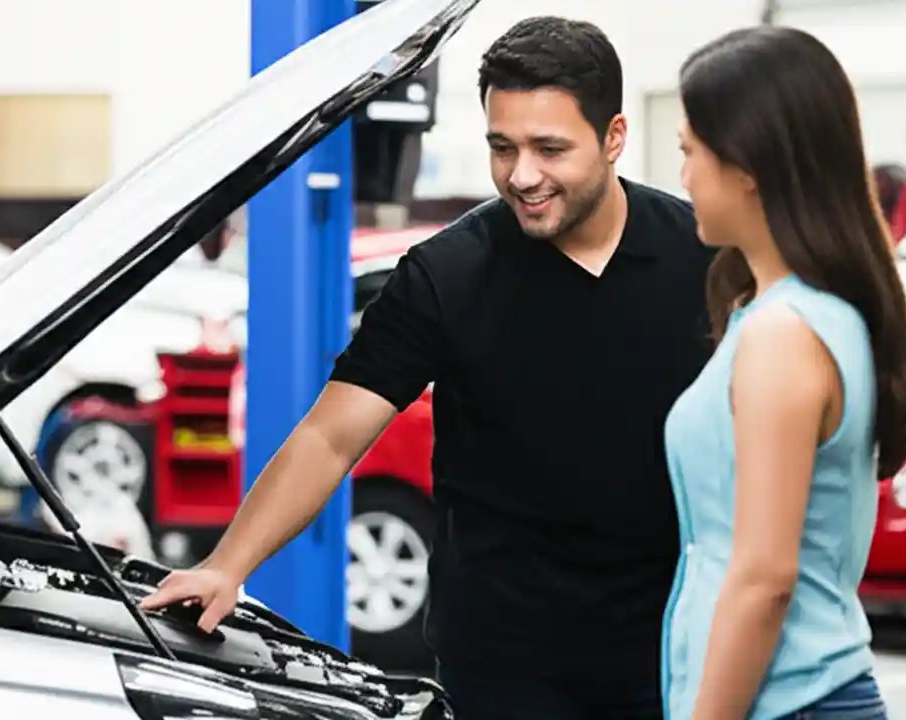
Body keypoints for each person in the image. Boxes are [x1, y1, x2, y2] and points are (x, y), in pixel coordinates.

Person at [142, 16, 714, 718]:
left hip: (669, 652)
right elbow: (330, 436)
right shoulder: (447, 275)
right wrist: (228, 564)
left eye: (549, 149)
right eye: (502, 147)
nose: (522, 175)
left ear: (614, 138)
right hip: (506, 664)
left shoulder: (703, 259)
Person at [662, 26, 906, 720]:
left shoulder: (786, 332)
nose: (683, 175)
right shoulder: (789, 313)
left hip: (789, 702)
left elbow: (764, 579)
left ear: (747, 165)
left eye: (691, 152)